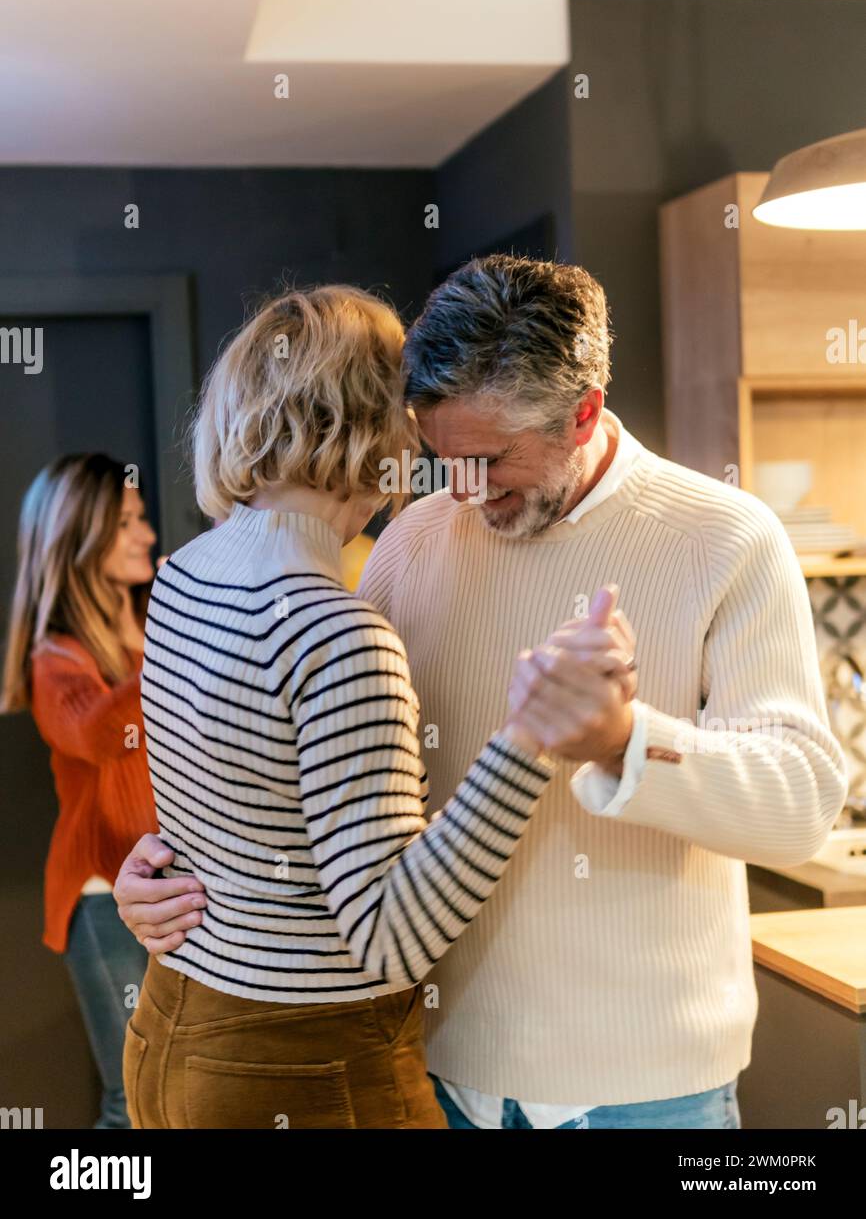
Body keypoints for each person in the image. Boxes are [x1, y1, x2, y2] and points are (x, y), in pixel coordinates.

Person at [118, 255, 846, 1130]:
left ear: (582, 413)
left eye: (491, 458)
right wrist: (173, 862)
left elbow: (803, 803)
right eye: (437, 456)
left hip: (649, 1090)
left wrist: (624, 739)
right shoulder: (414, 540)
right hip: (447, 1070)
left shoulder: (727, 537)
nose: (459, 489)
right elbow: (310, 756)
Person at [116, 283, 635, 1130]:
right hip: (307, 1062)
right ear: (384, 429)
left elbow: (235, 811)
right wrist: (529, 737)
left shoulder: (181, 578)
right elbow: (391, 937)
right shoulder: (337, 633)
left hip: (177, 1025)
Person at [1, 454, 159, 1127]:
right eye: (127, 523)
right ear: (81, 536)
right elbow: (98, 736)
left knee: (171, 1090)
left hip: (166, 887)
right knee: (133, 1100)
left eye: (143, 517)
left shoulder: (154, 628)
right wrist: (174, 658)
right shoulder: (56, 657)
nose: (148, 534)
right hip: (102, 900)